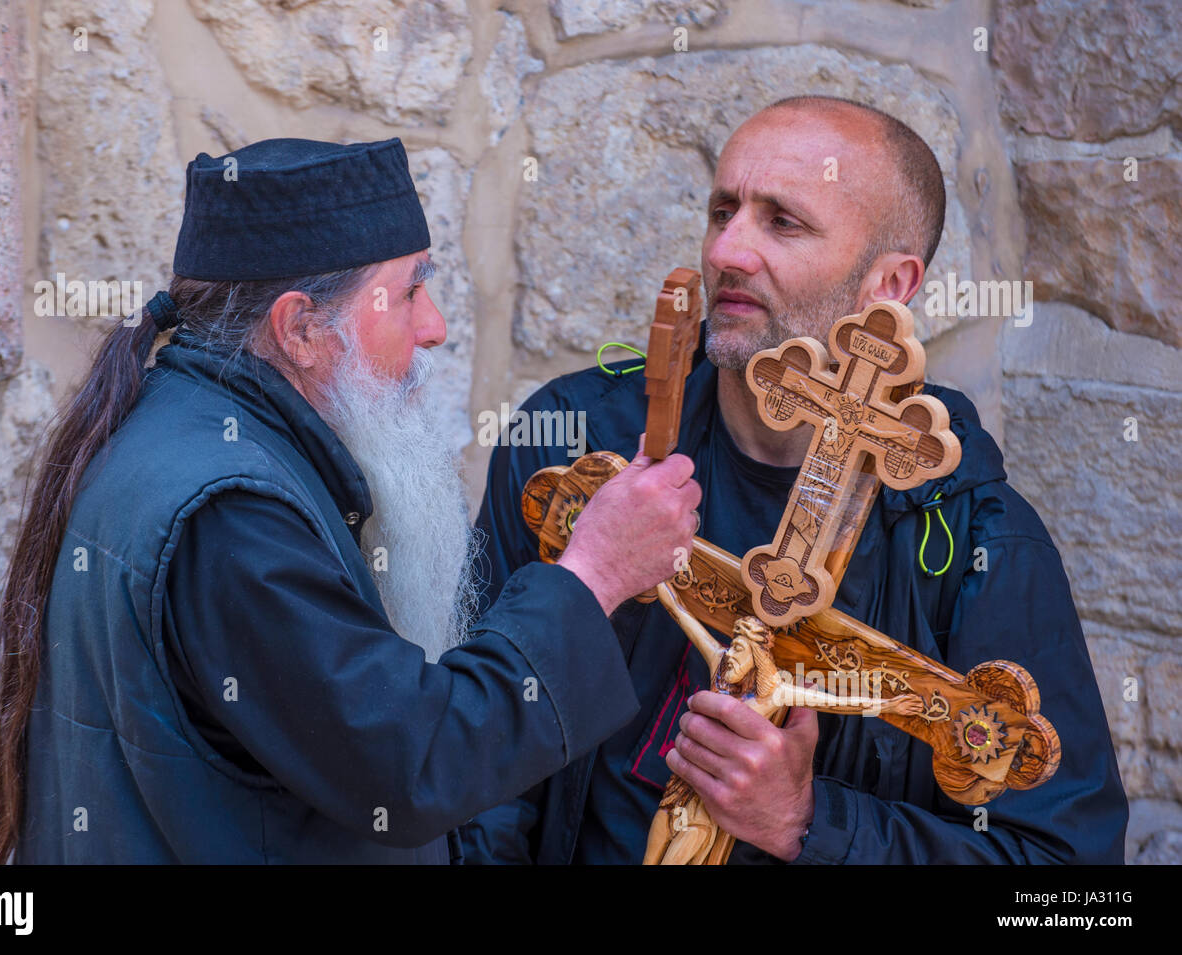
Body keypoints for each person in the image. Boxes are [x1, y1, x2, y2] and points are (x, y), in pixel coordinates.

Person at [0, 137, 701, 863]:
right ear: (300, 329)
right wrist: (594, 574)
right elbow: (409, 763)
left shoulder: (193, 429)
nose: (435, 326)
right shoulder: (231, 513)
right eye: (410, 291)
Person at [460, 96, 1128, 864]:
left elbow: (1075, 891)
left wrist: (810, 822)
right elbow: (484, 757)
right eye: (723, 211)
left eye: (783, 222)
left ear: (890, 284)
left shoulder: (980, 543)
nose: (728, 252)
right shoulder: (583, 445)